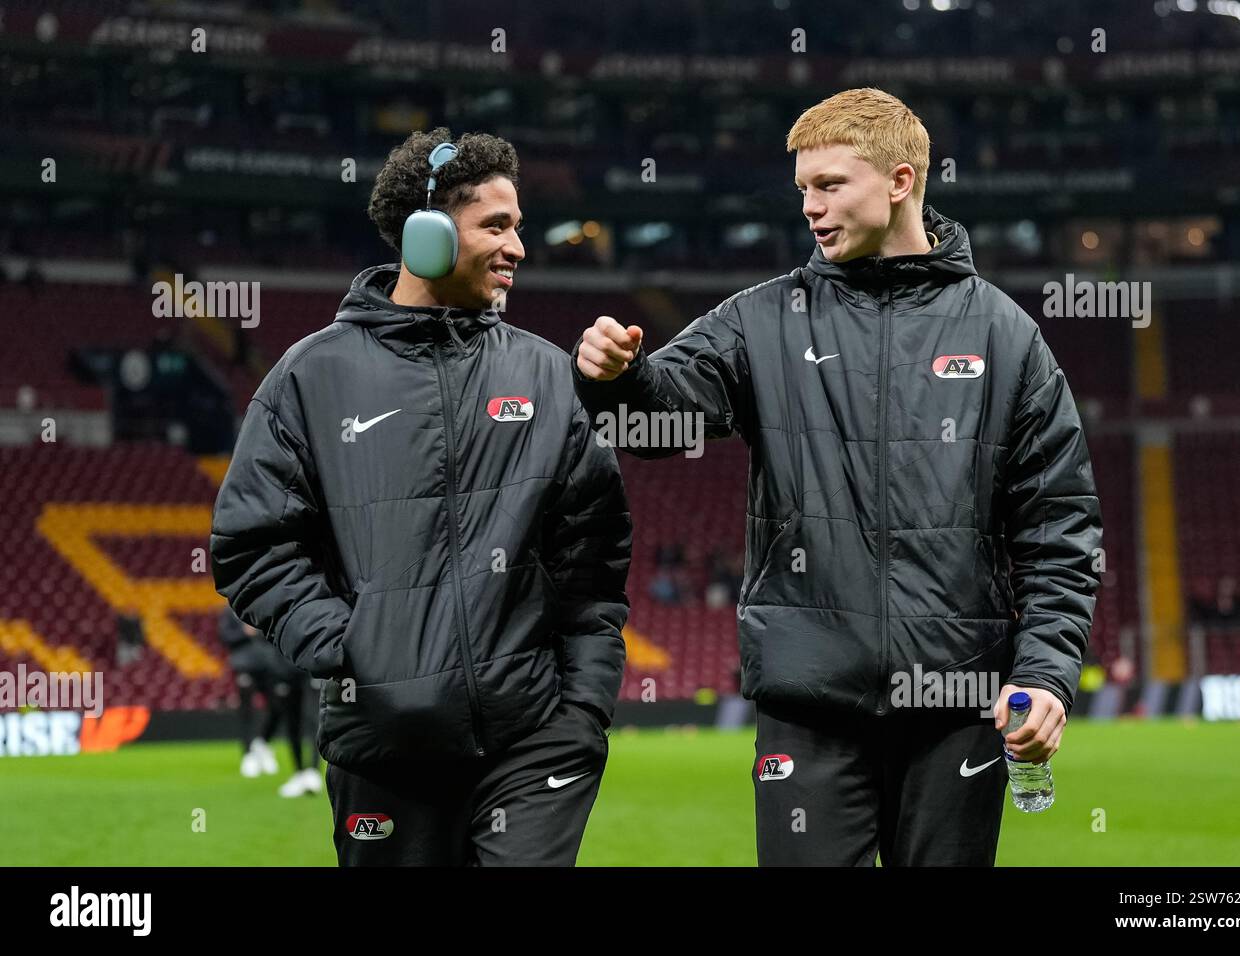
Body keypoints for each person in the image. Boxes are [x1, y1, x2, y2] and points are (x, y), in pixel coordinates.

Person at [573, 88, 1102, 866]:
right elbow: (658, 421)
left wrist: (1048, 674)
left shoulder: (1004, 334)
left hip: (956, 708)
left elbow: (1059, 526)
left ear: (899, 181)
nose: (811, 209)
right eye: (802, 191)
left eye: (829, 185)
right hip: (810, 709)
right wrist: (617, 378)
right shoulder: (761, 320)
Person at [211, 129, 631, 866]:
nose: (520, 248)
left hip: (533, 744)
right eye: (497, 226)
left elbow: (593, 561)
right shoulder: (311, 378)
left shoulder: (547, 376)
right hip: (382, 749)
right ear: (428, 235)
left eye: (519, 227)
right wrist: (353, 653)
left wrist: (584, 711)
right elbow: (253, 545)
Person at [218, 606, 322, 797]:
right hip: (285, 668)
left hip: (307, 666)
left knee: (313, 719)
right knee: (293, 722)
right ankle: (300, 773)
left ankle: (313, 771)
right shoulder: (260, 607)